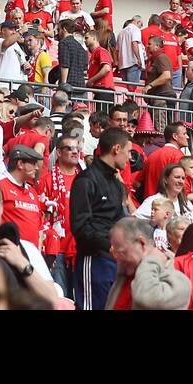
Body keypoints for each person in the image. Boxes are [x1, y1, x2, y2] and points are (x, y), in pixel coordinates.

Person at [70, 126, 131, 310]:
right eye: (128, 152)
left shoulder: (115, 183)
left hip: (114, 261)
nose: (130, 158)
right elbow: (80, 227)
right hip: (93, 260)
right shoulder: (86, 180)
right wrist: (110, 246)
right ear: (116, 149)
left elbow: (120, 222)